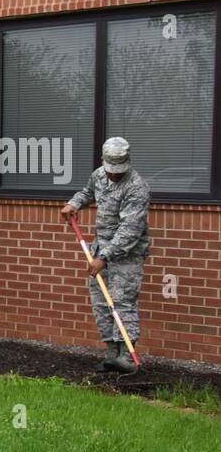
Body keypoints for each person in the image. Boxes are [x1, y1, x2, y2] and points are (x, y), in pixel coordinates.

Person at [60, 136, 151, 373]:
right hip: (100, 250)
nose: (113, 175)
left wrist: (105, 257)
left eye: (117, 171)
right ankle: (111, 354)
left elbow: (130, 230)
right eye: (111, 170)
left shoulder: (137, 188)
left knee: (122, 303)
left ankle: (127, 357)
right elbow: (87, 192)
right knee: (101, 303)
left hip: (126, 254)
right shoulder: (99, 175)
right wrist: (74, 204)